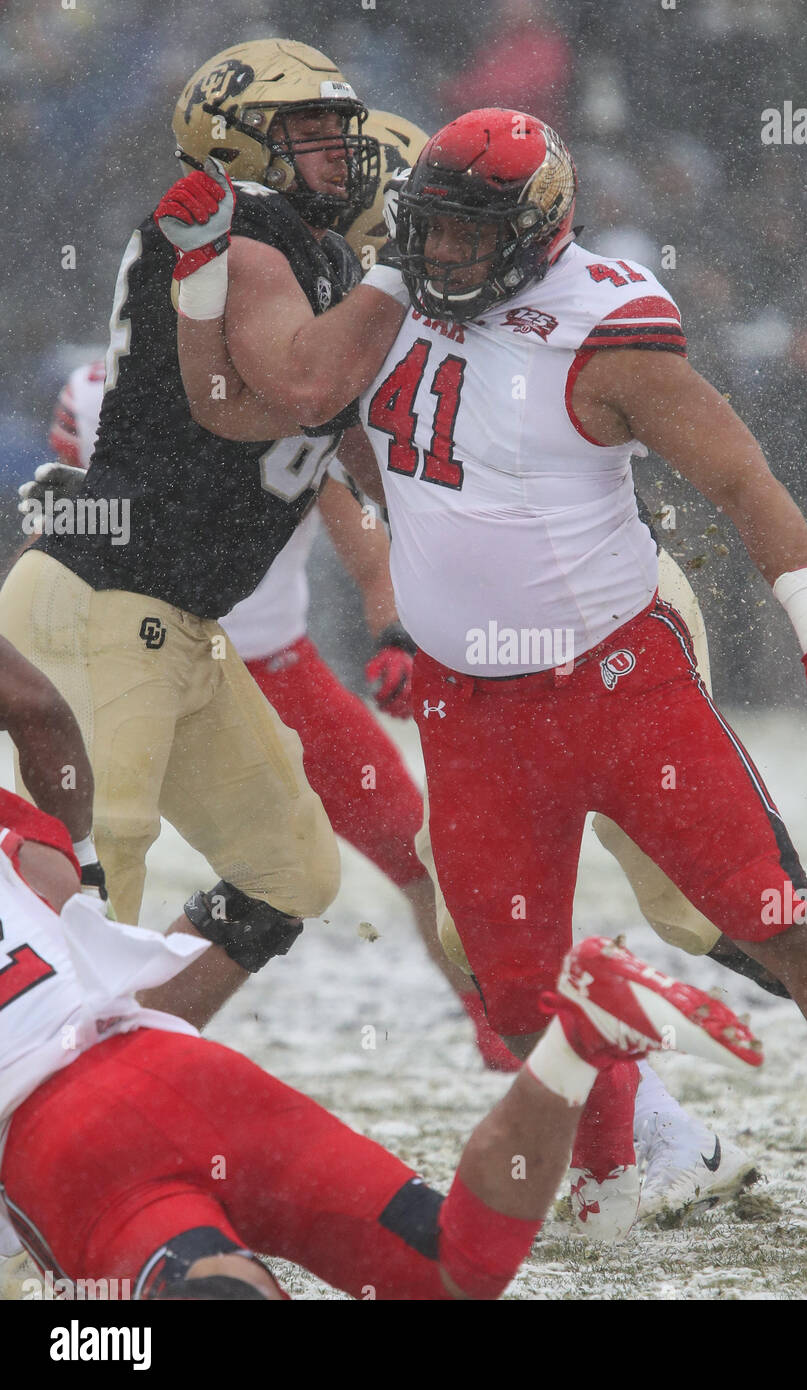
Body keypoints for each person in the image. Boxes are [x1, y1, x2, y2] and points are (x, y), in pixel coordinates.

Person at [157, 108, 807, 1240]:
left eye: (465, 238)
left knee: (773, 915)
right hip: (465, 703)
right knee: (512, 984)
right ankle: (612, 1165)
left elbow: (741, 479)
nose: (437, 257)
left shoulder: (603, 326)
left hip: (615, 685)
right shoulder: (388, 305)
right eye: (427, 232)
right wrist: (197, 283)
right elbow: (239, 404)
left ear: (531, 234)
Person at [0, 41, 413, 1033]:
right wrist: (398, 275)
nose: (338, 146)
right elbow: (302, 386)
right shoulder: (247, 234)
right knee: (112, 861)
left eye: (337, 124)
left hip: (181, 618)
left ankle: (135, 1047)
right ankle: (47, 1098)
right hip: (105, 592)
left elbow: (352, 435)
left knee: (288, 869)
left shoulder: (306, 249)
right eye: (307, 127)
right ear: (241, 143)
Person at [0, 786, 761, 1301]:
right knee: (459, 1266)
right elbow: (40, 761)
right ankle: (580, 1033)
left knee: (187, 1295)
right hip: (175, 1067)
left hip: (59, 1145)